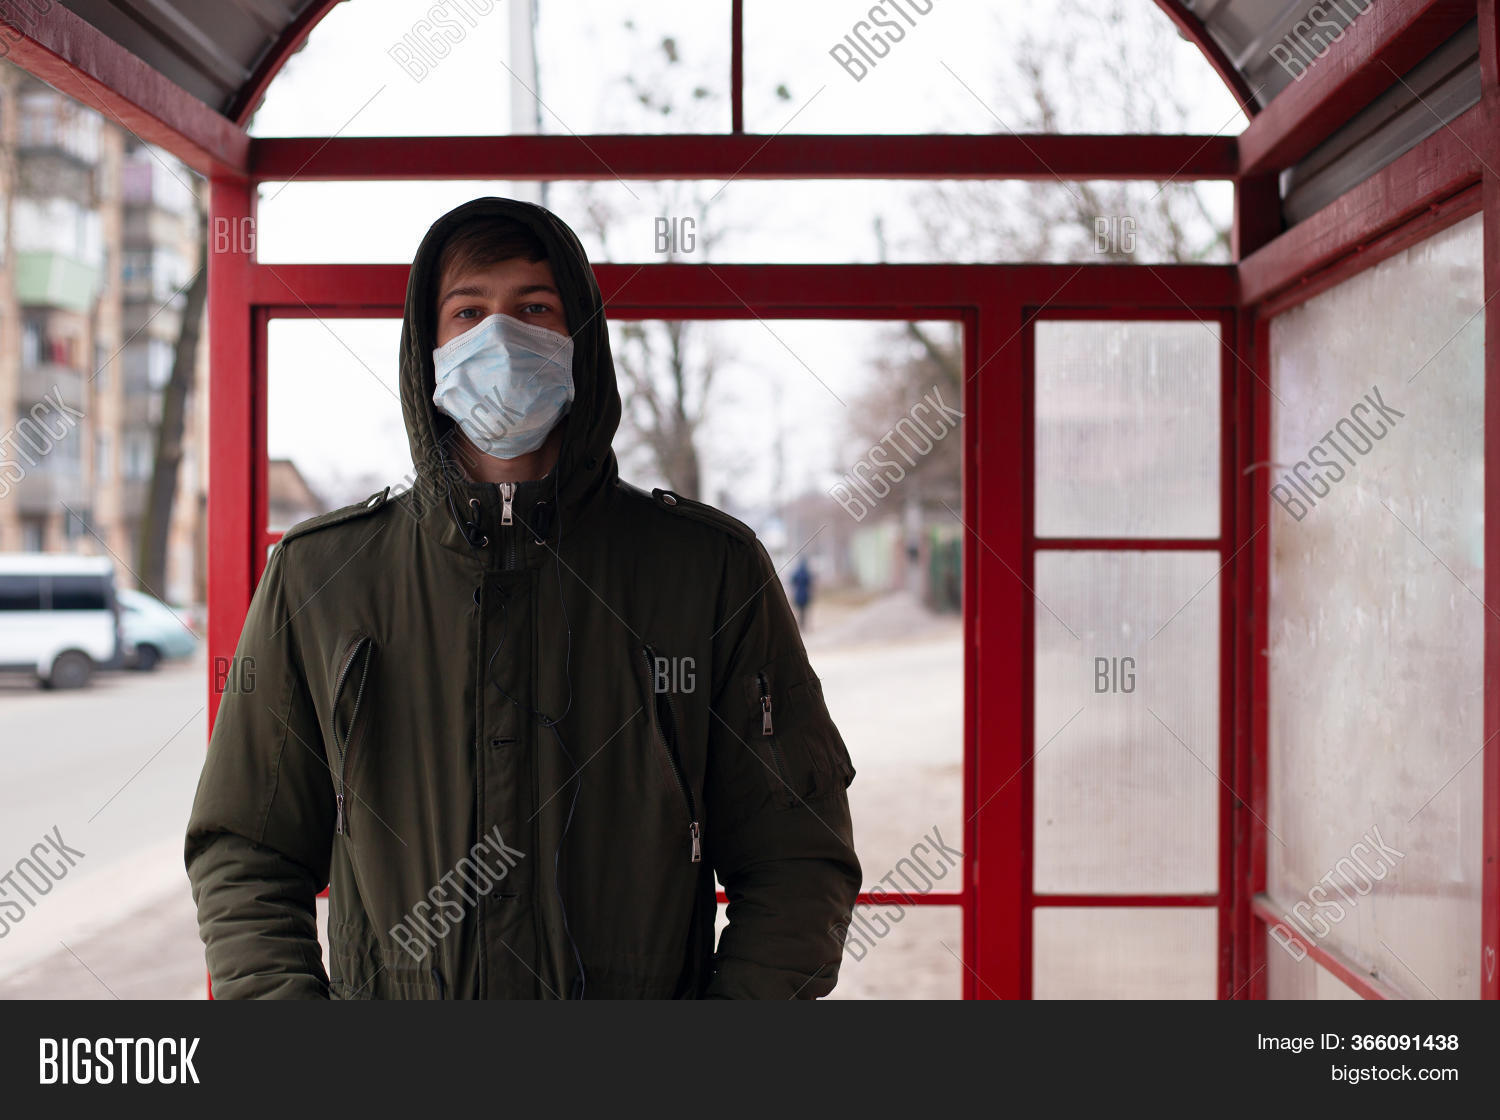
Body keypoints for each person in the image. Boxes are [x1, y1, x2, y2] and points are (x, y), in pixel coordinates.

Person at [185, 197, 860, 1000]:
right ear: (428, 349)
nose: (499, 338)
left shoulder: (708, 570)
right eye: (469, 312)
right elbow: (245, 852)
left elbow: (796, 858)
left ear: (579, 342)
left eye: (533, 309)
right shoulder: (321, 576)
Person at [790, 556, 814, 630]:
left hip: (798, 594)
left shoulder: (796, 572)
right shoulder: (807, 572)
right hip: (805, 595)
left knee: (799, 611)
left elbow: (792, 581)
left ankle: (800, 625)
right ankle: (803, 625)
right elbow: (810, 584)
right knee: (804, 611)